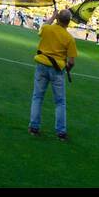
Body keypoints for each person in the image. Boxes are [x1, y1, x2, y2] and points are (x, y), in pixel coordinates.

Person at [29, 9, 77, 140]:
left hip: (41, 65)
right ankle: (61, 132)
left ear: (57, 19)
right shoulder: (69, 38)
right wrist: (68, 68)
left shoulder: (47, 29)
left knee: (37, 97)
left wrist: (52, 17)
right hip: (57, 70)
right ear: (68, 22)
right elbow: (71, 62)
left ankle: (34, 127)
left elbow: (42, 28)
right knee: (60, 102)